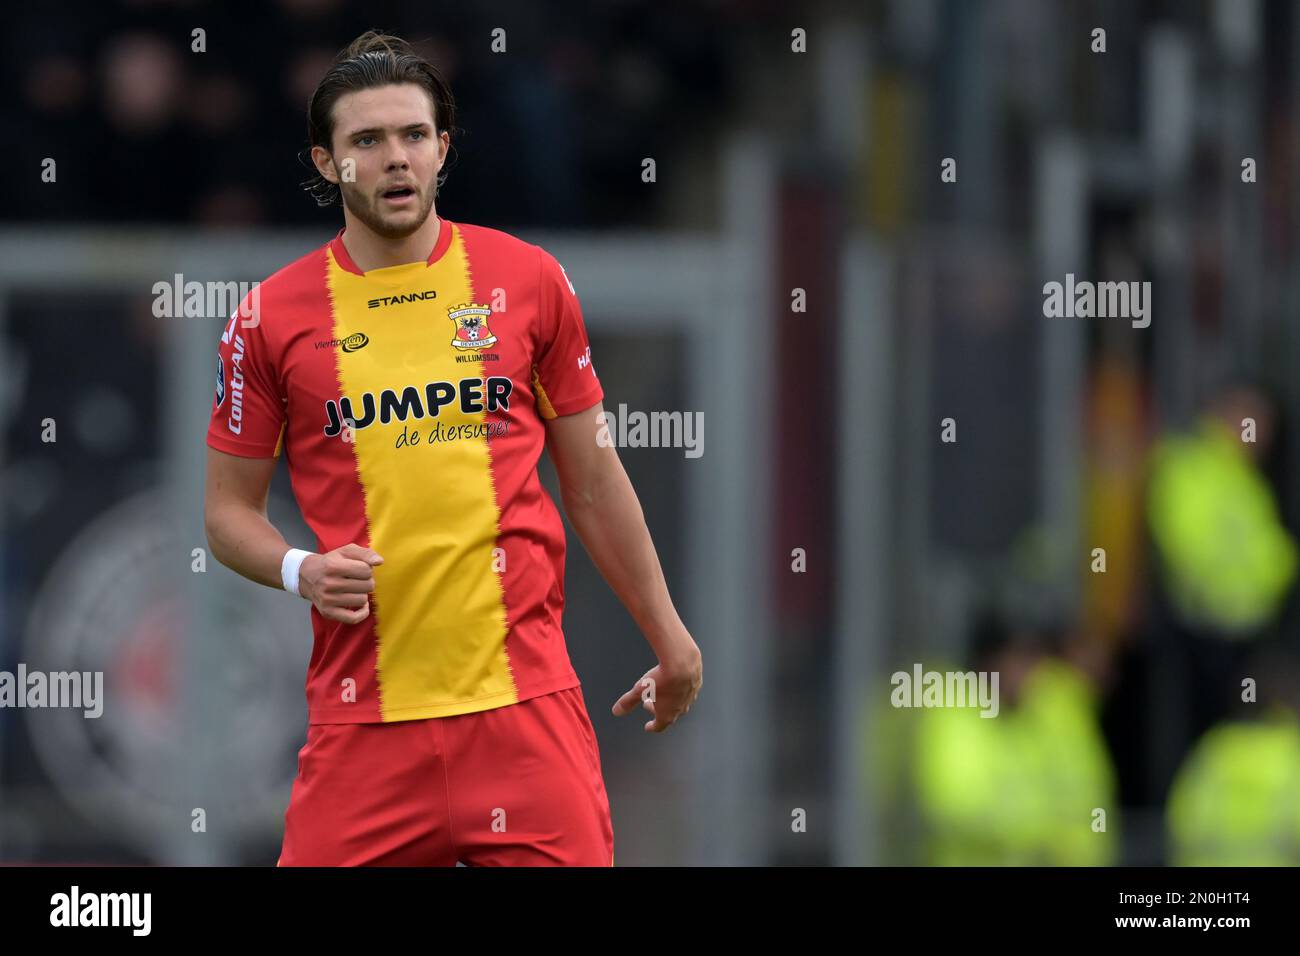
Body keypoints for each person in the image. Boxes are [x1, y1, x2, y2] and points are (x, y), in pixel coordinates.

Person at [202, 31, 702, 866]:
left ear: (442, 149)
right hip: (363, 727)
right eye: (367, 140)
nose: (395, 159)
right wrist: (301, 571)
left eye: (413, 136)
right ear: (328, 163)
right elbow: (225, 512)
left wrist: (670, 636)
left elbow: (593, 483)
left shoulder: (529, 281)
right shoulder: (268, 318)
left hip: (524, 721)